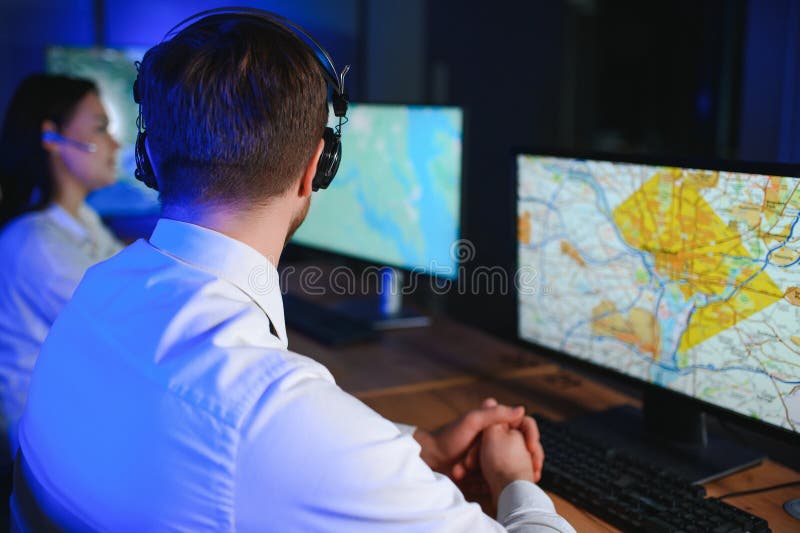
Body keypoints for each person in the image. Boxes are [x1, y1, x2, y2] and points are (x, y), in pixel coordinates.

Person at [13, 9, 575, 532]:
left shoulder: (98, 293)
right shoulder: (271, 414)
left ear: (150, 156)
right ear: (316, 169)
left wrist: (415, 446)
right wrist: (514, 480)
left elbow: (284, 455)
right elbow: (279, 444)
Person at [0, 74, 123, 467]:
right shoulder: (34, 243)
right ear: (52, 138)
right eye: (101, 129)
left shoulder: (81, 219)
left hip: (82, 412)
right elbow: (128, 322)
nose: (115, 144)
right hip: (48, 451)